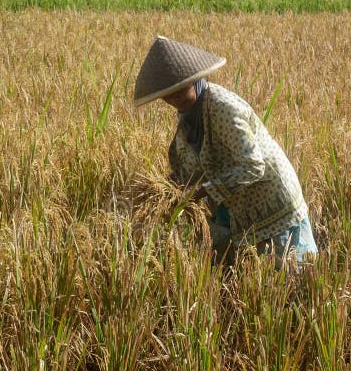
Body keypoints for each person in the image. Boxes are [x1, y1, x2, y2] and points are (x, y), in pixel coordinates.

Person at [134, 35, 318, 265]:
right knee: (232, 273)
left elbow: (252, 166)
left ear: (194, 79)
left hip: (270, 202)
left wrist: (200, 191)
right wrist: (168, 187)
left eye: (179, 89)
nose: (173, 98)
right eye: (167, 94)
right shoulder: (189, 115)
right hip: (235, 204)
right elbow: (195, 162)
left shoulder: (222, 108)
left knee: (282, 281)